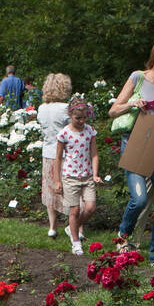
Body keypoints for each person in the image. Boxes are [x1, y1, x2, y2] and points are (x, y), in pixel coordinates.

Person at [108, 37, 154, 269]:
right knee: (139, 198)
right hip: (134, 142)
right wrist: (133, 103)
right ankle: (123, 236)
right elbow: (113, 111)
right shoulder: (137, 77)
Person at [54, 96, 100, 255]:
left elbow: (94, 154)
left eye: (84, 118)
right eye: (77, 118)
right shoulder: (64, 133)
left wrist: (95, 174)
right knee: (74, 210)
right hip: (70, 176)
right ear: (70, 114)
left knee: (90, 208)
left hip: (87, 176)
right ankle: (75, 241)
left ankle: (71, 227)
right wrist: (57, 180)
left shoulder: (90, 131)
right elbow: (58, 158)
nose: (81, 121)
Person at [37, 72, 72, 237]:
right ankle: (73, 225)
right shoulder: (65, 108)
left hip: (47, 152)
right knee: (70, 189)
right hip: (66, 154)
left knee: (50, 189)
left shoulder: (42, 108)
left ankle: (52, 226)